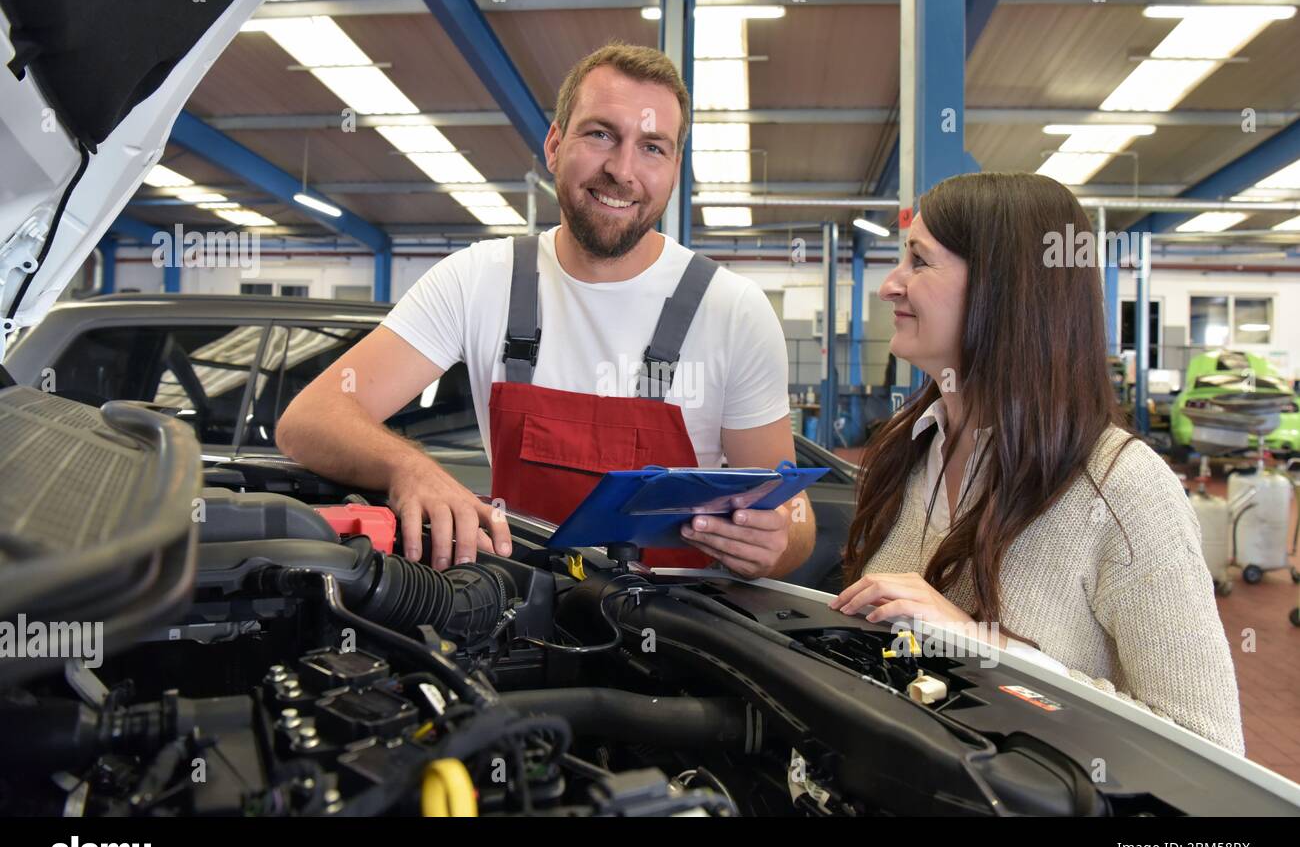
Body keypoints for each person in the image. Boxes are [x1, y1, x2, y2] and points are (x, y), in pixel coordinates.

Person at [277, 42, 815, 579]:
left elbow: (793, 519)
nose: (622, 170)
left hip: (678, 634)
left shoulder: (733, 311)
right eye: (601, 134)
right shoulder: (478, 280)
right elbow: (310, 419)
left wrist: (777, 541)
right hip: (519, 626)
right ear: (555, 145)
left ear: (675, 169)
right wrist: (408, 467)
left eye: (653, 147)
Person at [830, 171, 1244, 753]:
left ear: (1005, 290)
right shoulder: (909, 445)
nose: (890, 286)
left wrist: (989, 650)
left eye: (918, 262)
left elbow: (1211, 751)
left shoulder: (1122, 488)